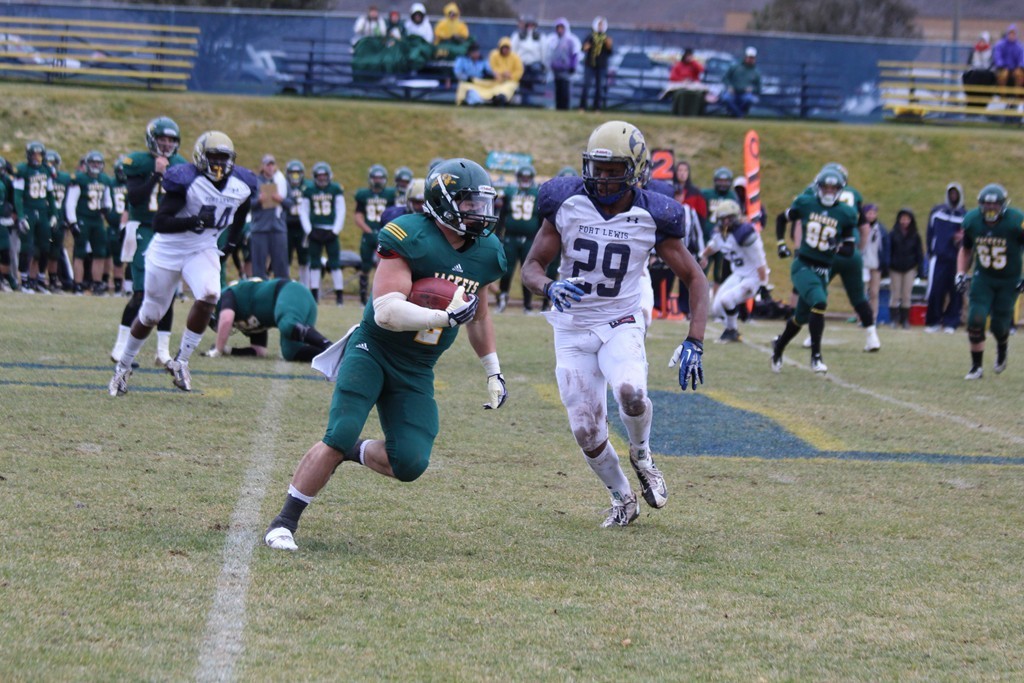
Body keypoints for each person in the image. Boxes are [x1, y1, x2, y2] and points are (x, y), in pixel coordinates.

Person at [264, 157, 508, 552]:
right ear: (443, 202)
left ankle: (353, 452)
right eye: (468, 203)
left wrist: (492, 370)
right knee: (338, 432)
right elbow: (387, 311)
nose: (479, 212)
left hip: (417, 367)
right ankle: (284, 522)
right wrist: (442, 316)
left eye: (482, 203)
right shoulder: (408, 235)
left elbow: (478, 316)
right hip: (373, 350)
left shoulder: (487, 252)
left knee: (410, 463)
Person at [520, 120, 708, 528]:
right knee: (587, 431)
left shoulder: (654, 213)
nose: (602, 179)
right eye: (597, 168)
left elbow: (695, 278)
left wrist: (695, 338)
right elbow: (531, 267)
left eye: (613, 170)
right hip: (571, 326)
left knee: (631, 393)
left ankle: (642, 454)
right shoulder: (565, 202)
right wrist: (549, 287)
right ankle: (622, 497)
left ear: (637, 170)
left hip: (621, 318)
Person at [109, 131, 257, 396]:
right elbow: (159, 223)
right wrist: (193, 222)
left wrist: (232, 243)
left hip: (202, 248)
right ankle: (122, 366)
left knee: (211, 293)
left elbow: (242, 208)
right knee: (151, 314)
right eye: (213, 157)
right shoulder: (186, 181)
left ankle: (181, 361)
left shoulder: (242, 184)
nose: (218, 164)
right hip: (168, 250)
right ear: (200, 157)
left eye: (223, 158)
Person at [110, 117, 188, 368]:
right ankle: (120, 346)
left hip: (168, 234)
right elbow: (134, 197)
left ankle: (162, 351)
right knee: (142, 293)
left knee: (168, 295)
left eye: (171, 140)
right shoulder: (137, 162)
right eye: (162, 139)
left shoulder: (182, 165)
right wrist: (156, 174)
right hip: (143, 228)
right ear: (152, 140)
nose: (166, 144)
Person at [770, 167, 859, 375]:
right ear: (818, 187)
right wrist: (781, 243)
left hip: (823, 271)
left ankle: (779, 346)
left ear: (840, 189)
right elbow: (781, 219)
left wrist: (835, 246)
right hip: (802, 265)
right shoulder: (806, 202)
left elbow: (849, 249)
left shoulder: (847, 214)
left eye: (833, 187)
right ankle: (816, 357)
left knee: (801, 317)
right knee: (819, 302)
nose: (829, 191)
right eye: (825, 187)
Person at [955, 184, 1024, 380]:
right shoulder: (972, 220)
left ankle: (1002, 347)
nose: (990, 209)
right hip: (983, 277)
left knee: (999, 326)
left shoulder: (1016, 221)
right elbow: (966, 249)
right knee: (975, 319)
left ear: (1003, 205)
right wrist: (960, 273)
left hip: (1009, 280)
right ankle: (976, 367)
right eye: (986, 205)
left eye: (994, 205)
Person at [204, 278, 332, 361]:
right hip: (295, 305)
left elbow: (226, 319)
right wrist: (229, 350)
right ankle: (332, 356)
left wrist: (218, 349)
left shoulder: (227, 294)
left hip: (291, 291)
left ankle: (329, 346)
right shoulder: (248, 315)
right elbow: (259, 351)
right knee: (291, 352)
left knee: (288, 324)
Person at [697, 199, 767, 342]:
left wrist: (763, 285)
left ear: (736, 217)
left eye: (730, 218)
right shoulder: (720, 234)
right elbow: (713, 246)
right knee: (716, 308)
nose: (727, 222)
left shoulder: (745, 234)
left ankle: (731, 331)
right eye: (724, 219)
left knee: (727, 300)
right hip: (738, 274)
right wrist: (703, 255)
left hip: (753, 277)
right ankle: (731, 329)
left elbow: (760, 262)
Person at [65, 150, 114, 295]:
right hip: (83, 218)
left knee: (100, 253)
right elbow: (71, 202)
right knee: (80, 253)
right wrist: (72, 222)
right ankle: (78, 284)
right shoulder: (79, 178)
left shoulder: (105, 179)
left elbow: (107, 199)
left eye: (98, 163)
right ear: (87, 164)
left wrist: (107, 208)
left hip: (97, 220)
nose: (95, 165)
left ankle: (97, 283)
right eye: (93, 163)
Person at [11, 140, 56, 293]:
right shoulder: (22, 170)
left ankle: (40, 280)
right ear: (29, 155)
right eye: (34, 154)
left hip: (43, 212)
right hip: (29, 211)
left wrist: (54, 214)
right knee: (27, 247)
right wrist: (21, 216)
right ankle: (24, 281)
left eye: (39, 155)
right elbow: (17, 196)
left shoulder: (46, 170)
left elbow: (50, 195)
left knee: (44, 247)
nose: (37, 158)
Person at [496, 165, 541, 313]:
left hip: (529, 239)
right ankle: (502, 300)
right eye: (523, 177)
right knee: (506, 271)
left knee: (527, 272)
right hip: (510, 238)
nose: (525, 180)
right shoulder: (509, 192)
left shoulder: (537, 193)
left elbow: (541, 218)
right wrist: (498, 234)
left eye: (528, 178)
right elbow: (502, 215)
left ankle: (527, 305)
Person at [301, 162, 346, 305]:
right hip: (315, 229)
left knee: (335, 263)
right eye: (319, 176)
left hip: (330, 230)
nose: (321, 178)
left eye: (324, 175)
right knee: (314, 263)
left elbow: (341, 210)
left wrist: (335, 230)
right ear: (315, 177)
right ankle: (314, 296)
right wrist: (309, 230)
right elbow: (304, 211)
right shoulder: (308, 190)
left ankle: (339, 297)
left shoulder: (335, 189)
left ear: (329, 176)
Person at [925, 182, 967, 333]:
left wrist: (960, 240)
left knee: (956, 292)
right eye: (951, 193)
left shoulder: (964, 215)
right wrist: (931, 251)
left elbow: (968, 239)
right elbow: (930, 233)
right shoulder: (937, 212)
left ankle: (951, 322)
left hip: (957, 259)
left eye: (956, 193)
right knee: (936, 290)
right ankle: (933, 321)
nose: (953, 196)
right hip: (939, 258)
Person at [354, 164, 395, 304]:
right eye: (375, 177)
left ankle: (377, 297)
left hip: (385, 233)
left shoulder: (390, 194)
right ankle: (362, 298)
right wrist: (368, 229)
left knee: (382, 267)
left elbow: (394, 213)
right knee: (365, 266)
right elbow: (358, 215)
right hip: (368, 234)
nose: (377, 180)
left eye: (380, 178)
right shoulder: (363, 195)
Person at [249, 154, 291, 280]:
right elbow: (246, 204)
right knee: (258, 267)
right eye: (268, 164)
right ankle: (259, 294)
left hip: (278, 228)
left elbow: (291, 203)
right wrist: (258, 201)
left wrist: (281, 200)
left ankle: (281, 291)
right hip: (260, 229)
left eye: (272, 164)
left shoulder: (281, 182)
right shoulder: (255, 182)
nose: (270, 167)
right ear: (262, 166)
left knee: (281, 265)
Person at [887, 208, 924, 329]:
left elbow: (919, 253)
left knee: (906, 295)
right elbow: (888, 251)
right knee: (895, 294)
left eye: (907, 219)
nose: (905, 221)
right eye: (903, 218)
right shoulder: (893, 234)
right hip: (895, 268)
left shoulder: (915, 236)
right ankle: (893, 319)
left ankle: (905, 320)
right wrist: (887, 265)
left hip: (909, 268)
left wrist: (920, 269)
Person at [283, 160, 311, 290]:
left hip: (302, 227)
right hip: (286, 226)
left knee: (304, 258)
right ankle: (287, 286)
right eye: (292, 173)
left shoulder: (308, 187)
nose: (295, 176)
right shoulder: (283, 185)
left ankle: (305, 287)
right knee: (286, 258)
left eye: (297, 173)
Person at [860, 203, 890, 324]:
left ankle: (872, 317)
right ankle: (860, 317)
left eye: (873, 213)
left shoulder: (881, 229)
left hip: (876, 265)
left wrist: (885, 264)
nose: (871, 215)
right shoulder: (860, 227)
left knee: (874, 293)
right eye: (869, 213)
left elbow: (886, 247)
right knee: (861, 293)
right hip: (862, 264)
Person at [579, 16, 612, 112]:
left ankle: (597, 108)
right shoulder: (590, 36)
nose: (600, 27)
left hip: (601, 66)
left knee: (599, 87)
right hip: (590, 65)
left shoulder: (606, 38)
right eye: (599, 24)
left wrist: (609, 46)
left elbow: (610, 52)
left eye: (602, 25)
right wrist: (586, 47)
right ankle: (582, 107)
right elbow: (583, 48)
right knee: (586, 85)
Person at [511, 15, 546, 106]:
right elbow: (513, 51)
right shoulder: (518, 36)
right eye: (528, 25)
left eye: (532, 25)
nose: (530, 28)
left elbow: (543, 52)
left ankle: (528, 101)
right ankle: (524, 101)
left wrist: (543, 65)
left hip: (535, 65)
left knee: (531, 74)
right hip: (521, 64)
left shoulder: (540, 37)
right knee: (522, 75)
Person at [547, 18, 580, 111]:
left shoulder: (570, 41)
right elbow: (549, 54)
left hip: (566, 69)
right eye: (558, 28)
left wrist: (573, 66)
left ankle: (565, 108)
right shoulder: (553, 40)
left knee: (565, 89)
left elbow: (574, 54)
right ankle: (558, 107)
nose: (560, 30)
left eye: (562, 28)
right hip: (556, 69)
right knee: (558, 89)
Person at [720, 47, 762, 118]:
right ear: (745, 57)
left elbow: (758, 88)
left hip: (745, 94)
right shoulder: (735, 67)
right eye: (749, 57)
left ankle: (737, 115)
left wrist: (752, 89)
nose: (750, 59)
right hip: (732, 92)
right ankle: (739, 115)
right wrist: (729, 86)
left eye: (752, 58)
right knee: (726, 98)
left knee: (749, 99)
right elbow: (725, 78)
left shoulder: (756, 72)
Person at [668, 48, 707, 117]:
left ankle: (695, 114)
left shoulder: (694, 64)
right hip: (681, 86)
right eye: (687, 56)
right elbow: (672, 77)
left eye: (690, 56)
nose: (688, 57)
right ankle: (680, 114)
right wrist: (683, 80)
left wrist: (693, 62)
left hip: (693, 87)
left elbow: (701, 70)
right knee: (681, 95)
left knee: (698, 95)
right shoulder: (678, 65)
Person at [453, 42, 493, 106]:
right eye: (474, 52)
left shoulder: (483, 60)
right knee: (467, 89)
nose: (476, 54)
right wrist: (467, 78)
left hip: (479, 83)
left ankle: (486, 100)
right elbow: (457, 73)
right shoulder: (462, 59)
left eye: (477, 52)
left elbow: (489, 71)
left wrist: (491, 75)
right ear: (469, 53)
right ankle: (468, 101)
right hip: (467, 82)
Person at [488, 37, 523, 105]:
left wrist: (510, 76)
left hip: (511, 81)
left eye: (507, 48)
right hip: (497, 80)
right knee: (495, 87)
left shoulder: (515, 57)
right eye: (504, 48)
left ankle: (502, 98)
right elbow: (492, 67)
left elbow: (519, 71)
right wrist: (502, 73)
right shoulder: (494, 55)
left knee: (508, 87)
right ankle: (494, 98)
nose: (505, 50)